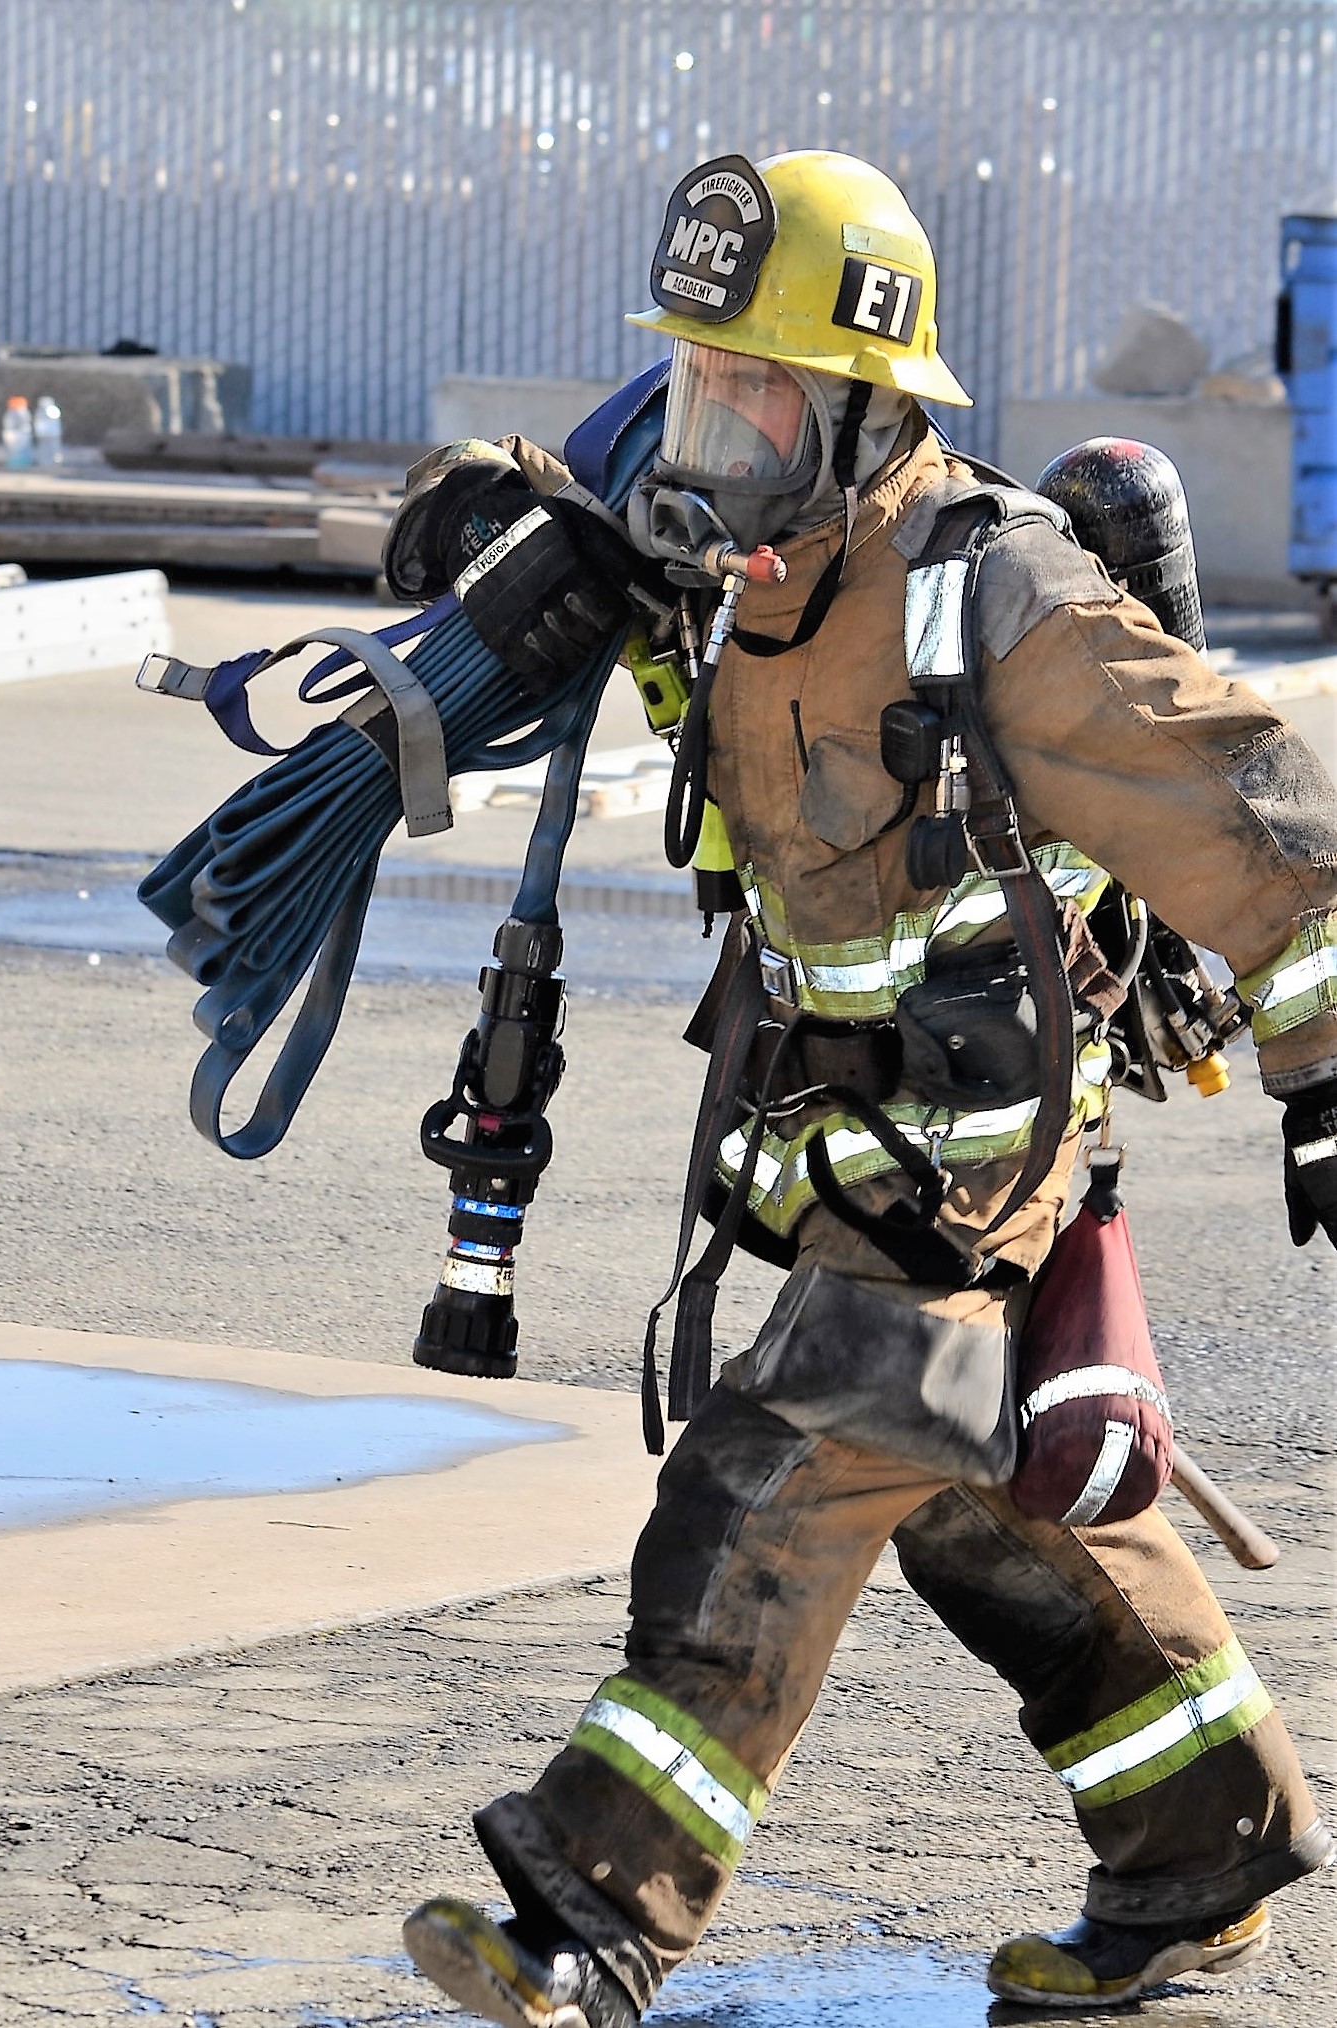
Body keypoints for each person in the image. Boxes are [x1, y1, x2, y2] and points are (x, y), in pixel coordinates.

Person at [388, 150, 1337, 2016]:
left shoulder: (1001, 601)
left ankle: (591, 1916)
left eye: (759, 390)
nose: (713, 427)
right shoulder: (733, 576)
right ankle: (1206, 1847)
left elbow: (1268, 821)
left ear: (870, 395)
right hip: (833, 1156)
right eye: (697, 381)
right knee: (1013, 1529)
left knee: (774, 1480)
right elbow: (612, 634)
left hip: (974, 1171)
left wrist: (1325, 1077)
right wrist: (479, 538)